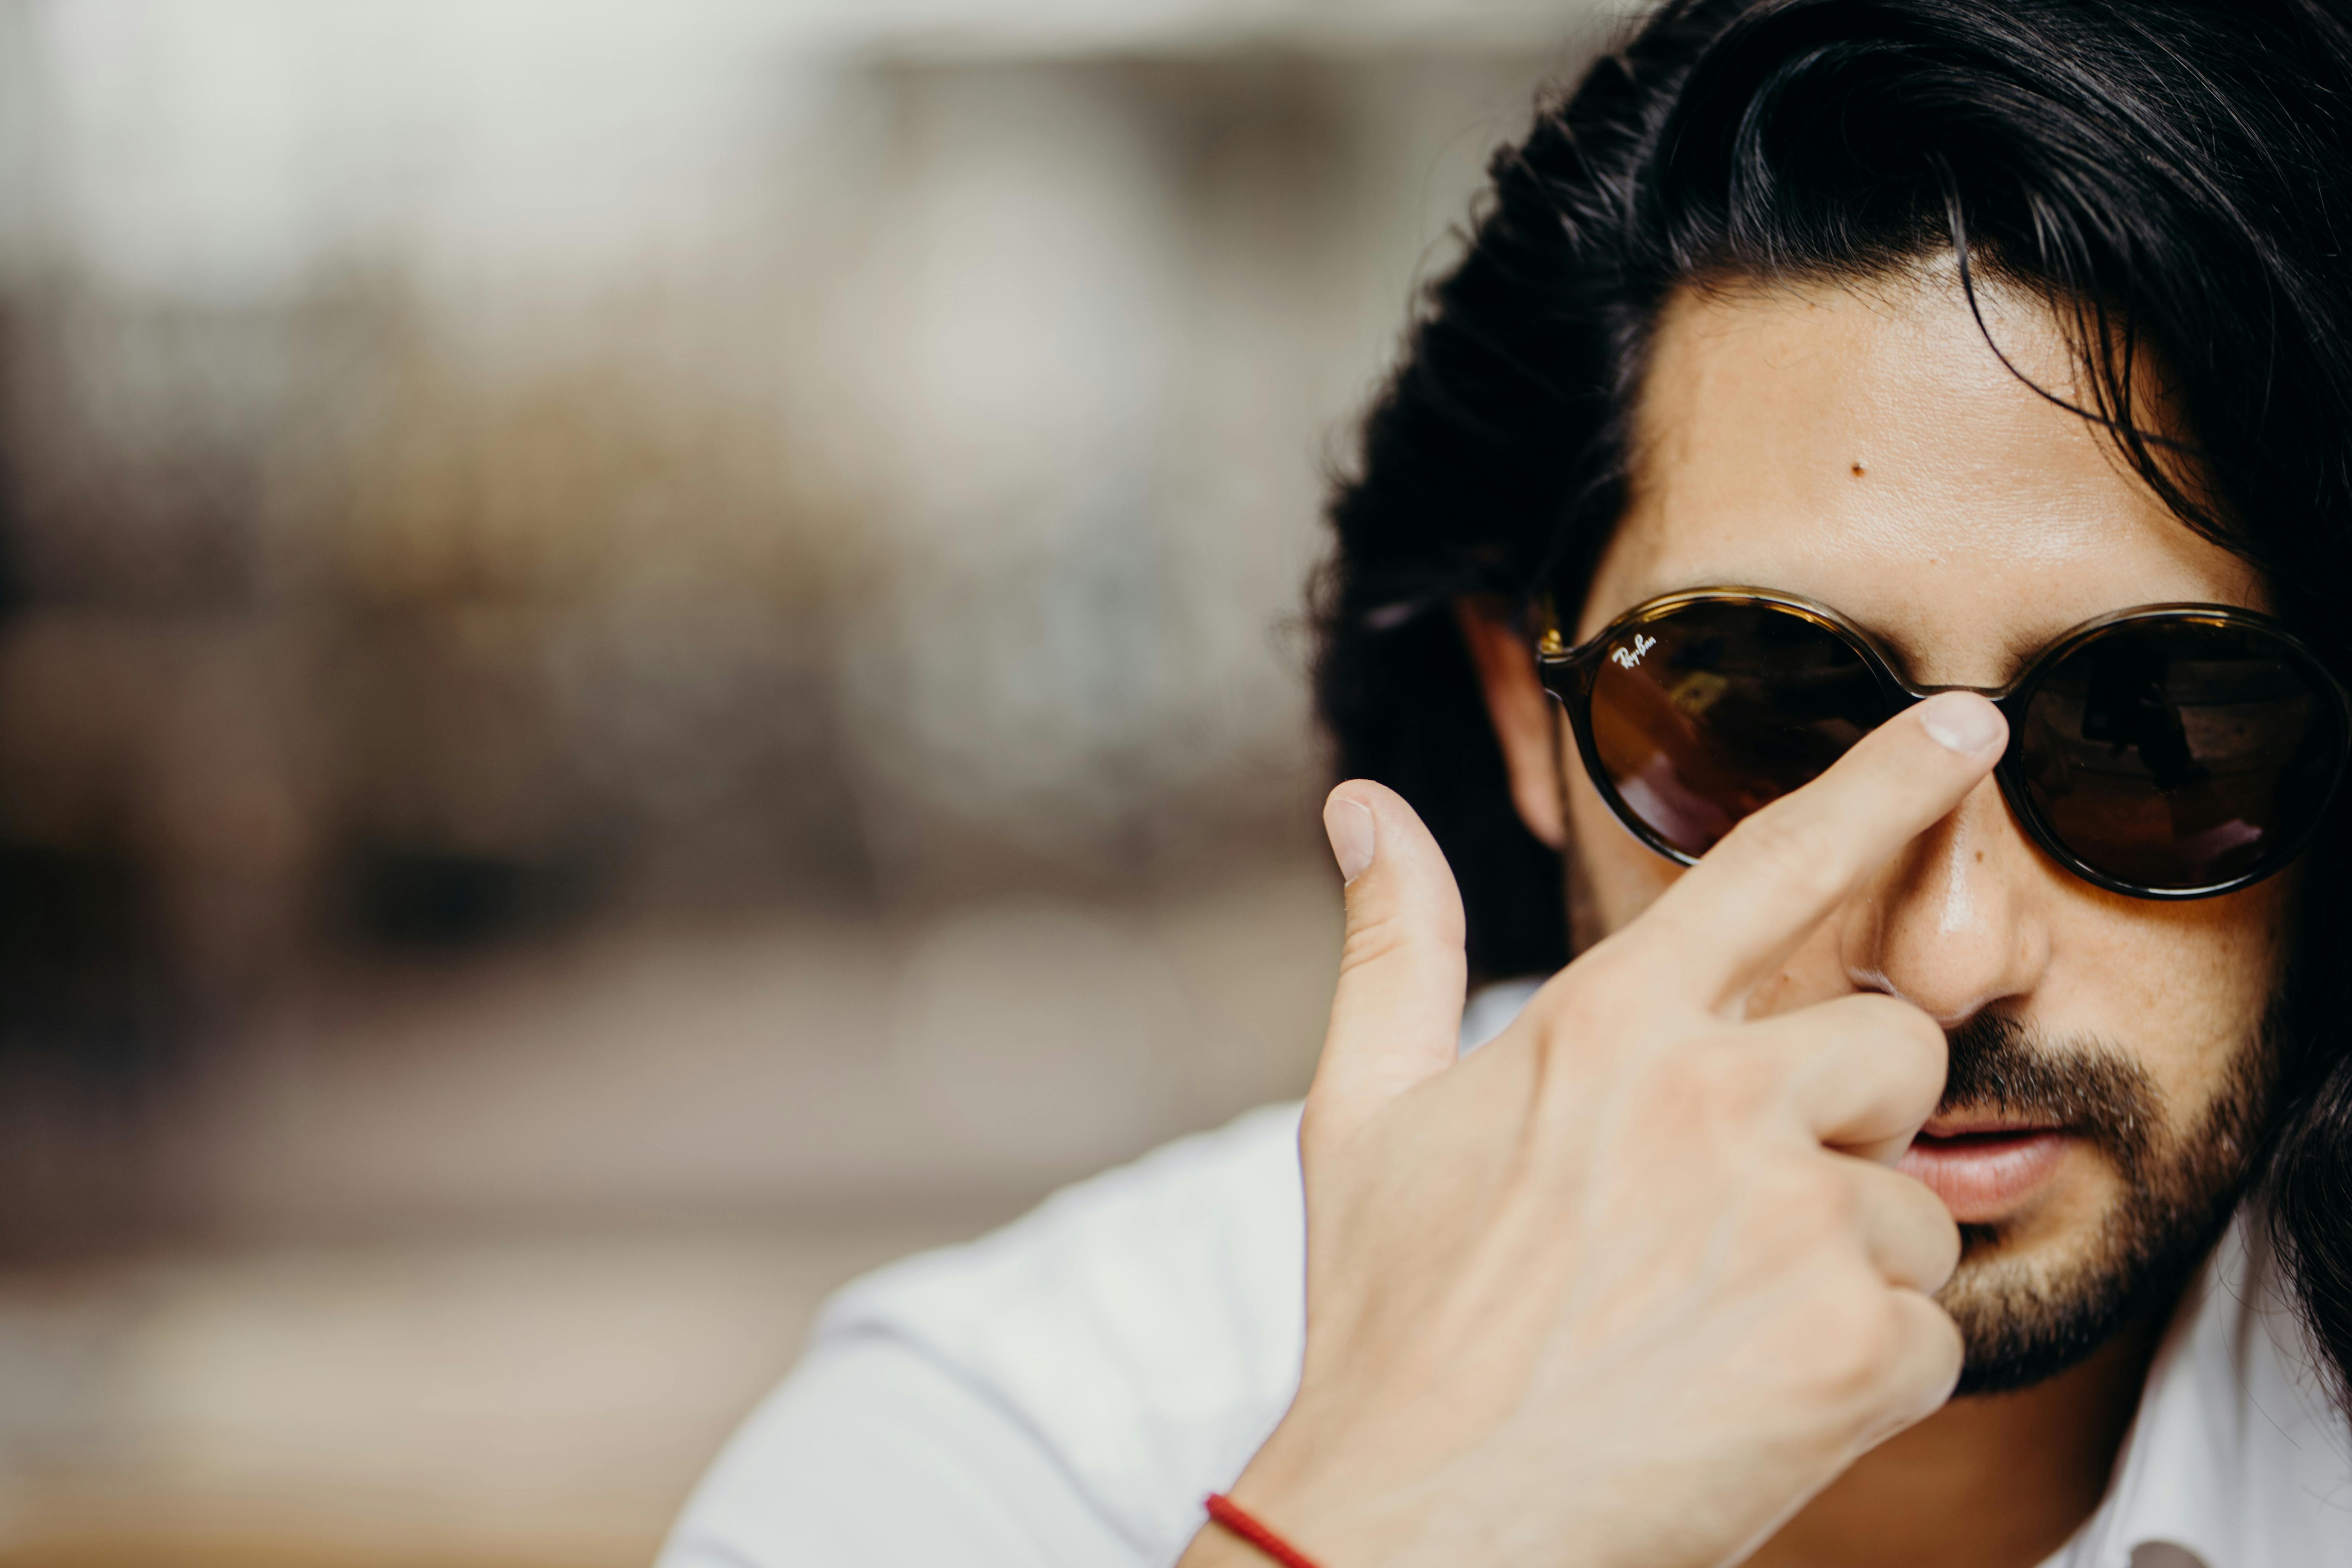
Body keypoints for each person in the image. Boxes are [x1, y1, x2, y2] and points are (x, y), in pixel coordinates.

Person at [660, 1, 2352, 1563]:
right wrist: (1374, 1517)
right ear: (1522, 710)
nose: (1954, 950)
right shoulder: (1016, 1440)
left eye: (2165, 728)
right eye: (1761, 716)